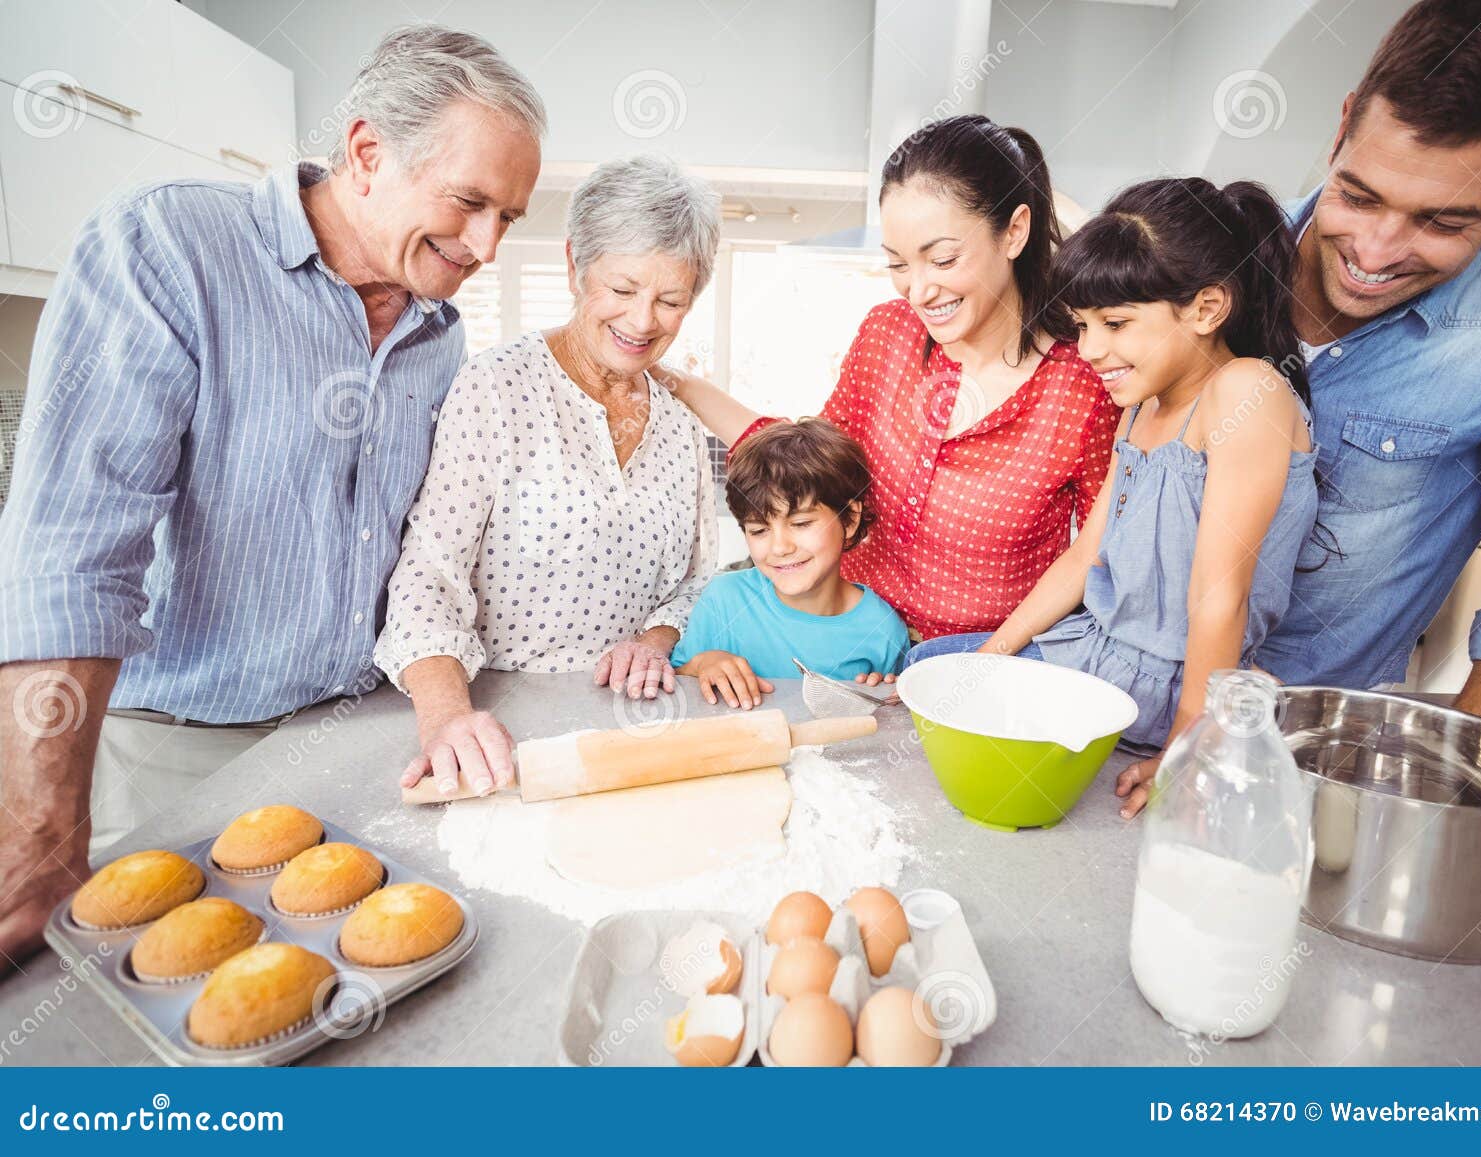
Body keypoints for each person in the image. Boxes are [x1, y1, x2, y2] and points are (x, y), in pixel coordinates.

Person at [0, 25, 544, 963]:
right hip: (177, 750)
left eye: (510, 218)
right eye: (470, 203)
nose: (487, 245)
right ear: (368, 153)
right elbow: (72, 551)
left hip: (358, 737)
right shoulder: (168, 245)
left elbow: (425, 551)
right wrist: (40, 835)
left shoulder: (438, 331)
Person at [907, 178, 1320, 819]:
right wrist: (990, 658)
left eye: (1116, 324)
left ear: (1207, 310)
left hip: (1174, 687)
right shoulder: (1142, 411)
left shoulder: (1246, 391)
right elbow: (1082, 561)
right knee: (935, 664)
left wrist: (1191, 750)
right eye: (1082, 326)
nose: (1091, 350)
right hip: (1097, 657)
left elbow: (1221, 595)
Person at [663, 115, 1118, 678]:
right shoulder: (888, 334)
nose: (919, 290)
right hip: (853, 650)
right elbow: (809, 465)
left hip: (983, 667)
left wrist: (980, 666)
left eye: (943, 259)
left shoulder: (1086, 385)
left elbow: (1094, 556)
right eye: (899, 264)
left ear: (1015, 232)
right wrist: (674, 381)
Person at [1256, 0, 1481, 730]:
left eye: (1442, 220)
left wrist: (1449, 777)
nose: (1373, 255)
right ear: (1344, 123)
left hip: (1298, 752)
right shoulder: (1221, 250)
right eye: (1358, 194)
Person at [381, 155, 722, 797]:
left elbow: (699, 580)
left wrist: (654, 640)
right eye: (621, 290)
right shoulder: (497, 388)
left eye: (670, 300)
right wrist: (447, 716)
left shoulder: (681, 423)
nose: (643, 321)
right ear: (573, 266)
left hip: (634, 730)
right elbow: (429, 573)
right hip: (496, 731)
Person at [671, 419, 910, 708]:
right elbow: (677, 683)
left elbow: (889, 720)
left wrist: (884, 696)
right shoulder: (723, 601)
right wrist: (702, 664)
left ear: (849, 520)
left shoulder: (883, 629)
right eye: (759, 530)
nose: (780, 547)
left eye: (801, 523)